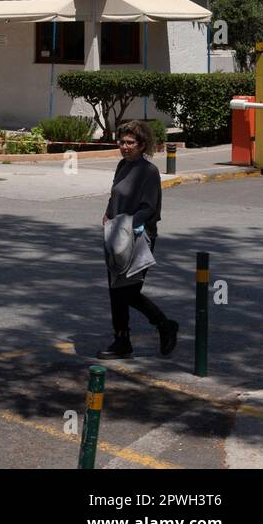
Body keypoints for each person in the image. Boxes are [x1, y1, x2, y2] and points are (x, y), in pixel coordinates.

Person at [97, 120, 180, 360]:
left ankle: (165, 325)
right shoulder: (122, 165)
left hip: (138, 237)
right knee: (116, 290)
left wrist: (127, 223)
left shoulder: (148, 171)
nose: (125, 146)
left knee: (129, 293)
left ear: (142, 145)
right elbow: (115, 195)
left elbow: (149, 208)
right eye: (122, 142)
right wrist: (108, 214)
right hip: (115, 235)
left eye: (130, 143)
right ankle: (121, 340)